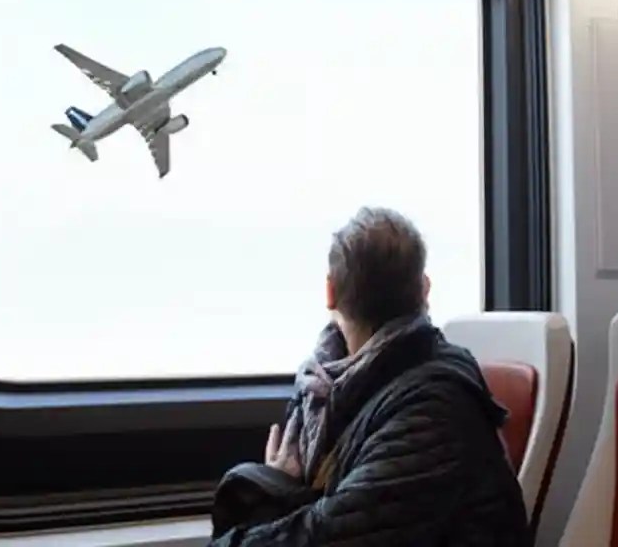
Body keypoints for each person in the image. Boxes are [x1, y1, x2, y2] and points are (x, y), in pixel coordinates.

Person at [209, 207, 532, 546]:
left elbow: (337, 533)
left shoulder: (434, 407)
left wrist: (272, 495)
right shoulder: (325, 388)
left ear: (330, 292)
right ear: (424, 288)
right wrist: (279, 488)